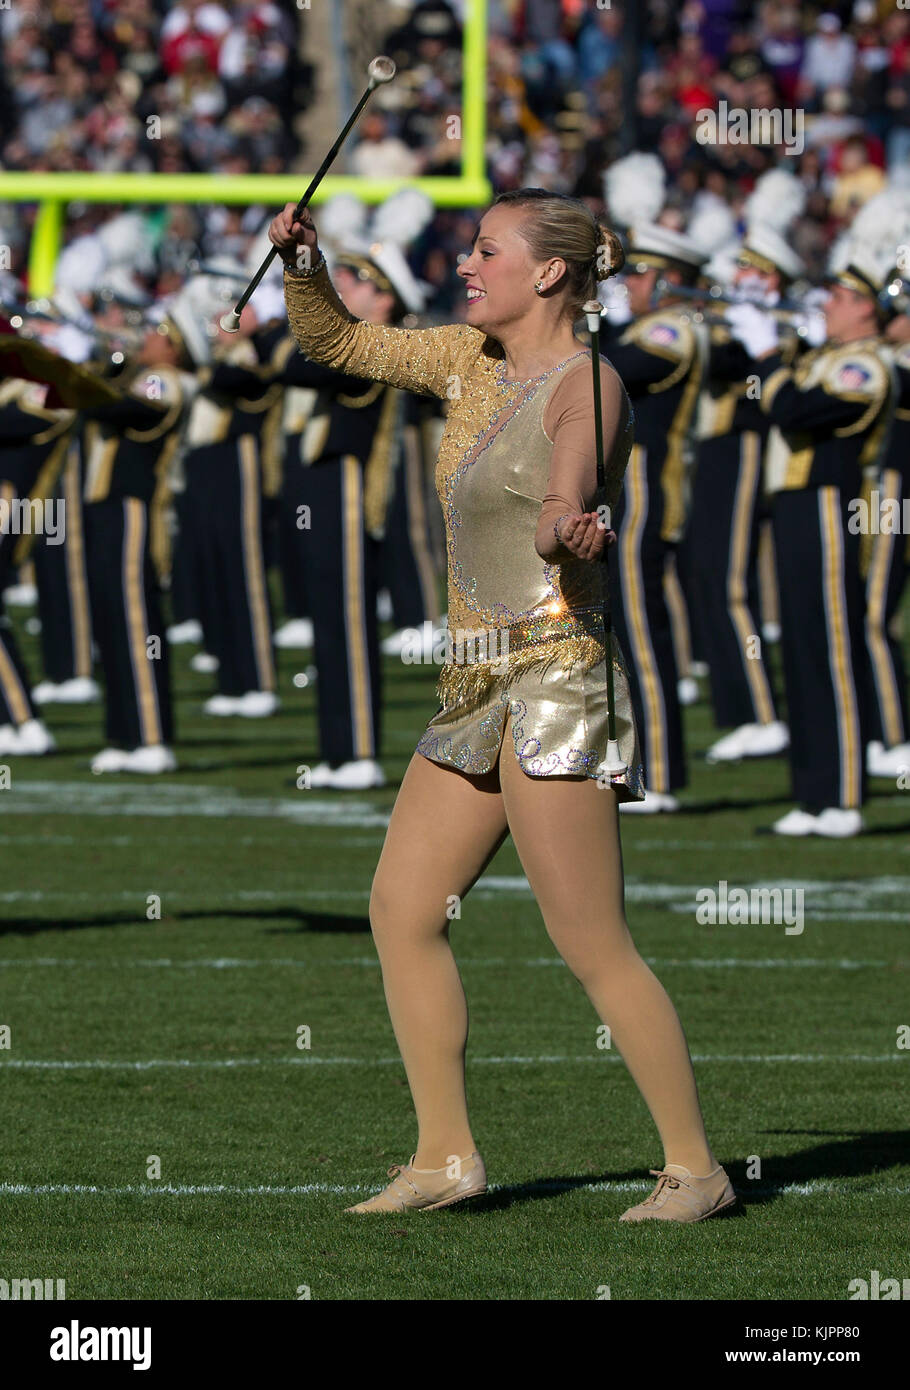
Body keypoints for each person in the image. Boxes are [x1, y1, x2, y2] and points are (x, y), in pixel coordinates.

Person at [269, 188, 737, 1224]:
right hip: (474, 673)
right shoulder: (465, 360)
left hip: (555, 673)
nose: (465, 265)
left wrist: (567, 528)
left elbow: (567, 491)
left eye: (485, 251)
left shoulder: (589, 382)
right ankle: (443, 1158)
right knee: (400, 908)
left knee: (590, 942)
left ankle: (696, 1169)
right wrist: (305, 264)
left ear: (550, 272)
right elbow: (341, 343)